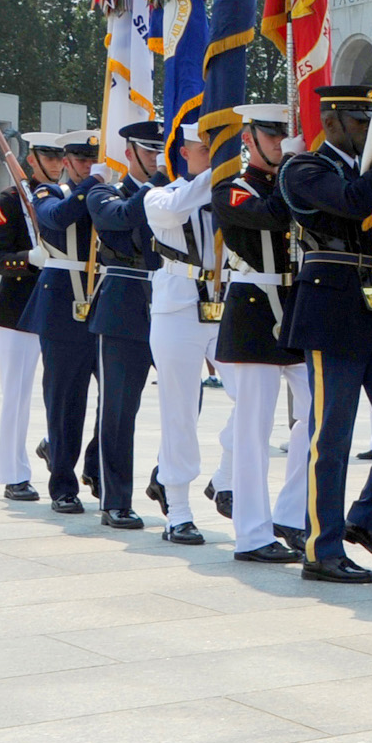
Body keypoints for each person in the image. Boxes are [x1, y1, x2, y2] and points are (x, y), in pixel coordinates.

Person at [277, 85, 372, 584]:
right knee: (331, 435)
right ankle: (322, 547)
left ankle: (369, 519)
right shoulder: (303, 169)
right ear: (332, 121)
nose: (371, 132)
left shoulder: (366, 168)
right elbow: (353, 201)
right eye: (363, 123)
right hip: (331, 309)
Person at [213, 105, 310, 564]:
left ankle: (291, 513)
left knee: (320, 415)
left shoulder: (292, 180)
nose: (279, 143)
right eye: (271, 136)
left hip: (297, 310)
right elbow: (271, 216)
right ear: (250, 138)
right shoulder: (232, 189)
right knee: (254, 431)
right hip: (254, 312)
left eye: (284, 136)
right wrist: (297, 170)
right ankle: (252, 533)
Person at [141, 118, 235, 541]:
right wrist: (222, 171)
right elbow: (179, 210)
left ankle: (226, 475)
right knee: (178, 410)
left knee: (251, 396)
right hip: (177, 305)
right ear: (185, 152)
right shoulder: (160, 195)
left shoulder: (231, 192)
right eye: (206, 148)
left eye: (220, 149)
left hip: (226, 302)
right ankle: (177, 509)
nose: (213, 156)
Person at [84, 122, 164, 533]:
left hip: (170, 303)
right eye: (150, 151)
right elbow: (120, 219)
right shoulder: (104, 192)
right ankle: (115, 499)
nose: (157, 158)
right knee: (118, 409)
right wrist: (164, 185)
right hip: (123, 305)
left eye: (161, 150)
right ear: (130, 152)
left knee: (187, 403)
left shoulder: (173, 194)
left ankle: (165, 477)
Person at [22, 130, 103, 515]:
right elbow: (57, 219)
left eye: (94, 160)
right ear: (67, 162)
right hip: (61, 308)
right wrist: (93, 183)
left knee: (118, 400)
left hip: (105, 306)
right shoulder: (51, 194)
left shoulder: (104, 192)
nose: (89, 166)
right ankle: (63, 486)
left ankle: (94, 464)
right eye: (82, 161)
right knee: (66, 402)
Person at [0, 132, 49, 501]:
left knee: (71, 389)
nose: (58, 165)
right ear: (33, 161)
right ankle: (14, 473)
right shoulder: (9, 203)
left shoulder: (59, 200)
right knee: (18, 393)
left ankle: (55, 445)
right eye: (51, 158)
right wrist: (28, 258)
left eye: (63, 159)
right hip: (18, 310)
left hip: (59, 306)